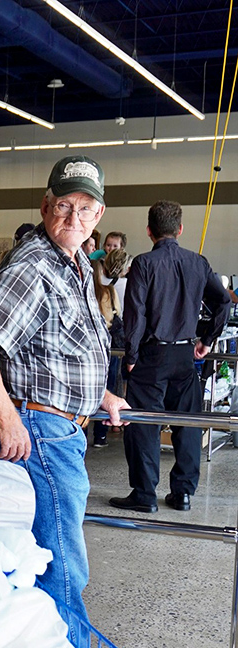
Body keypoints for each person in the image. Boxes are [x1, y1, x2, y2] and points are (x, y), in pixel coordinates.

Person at [0, 155, 129, 624]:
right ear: (45, 205)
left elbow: (57, 347)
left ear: (99, 214)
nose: (74, 218)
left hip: (61, 426)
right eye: (64, 206)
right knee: (63, 563)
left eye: (86, 208)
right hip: (42, 432)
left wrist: (101, 393)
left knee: (47, 555)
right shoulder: (34, 264)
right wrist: (8, 417)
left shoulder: (71, 262)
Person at [110, 200, 230, 514]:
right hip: (185, 355)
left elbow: (135, 314)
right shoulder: (198, 262)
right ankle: (183, 494)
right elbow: (223, 304)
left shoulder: (144, 264)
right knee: (187, 424)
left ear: (149, 231)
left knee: (143, 425)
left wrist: (131, 356)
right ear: (180, 229)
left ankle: (145, 494)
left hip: (152, 354)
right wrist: (206, 340)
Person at [91, 256, 123, 448]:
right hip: (108, 345)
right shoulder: (109, 291)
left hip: (87, 346)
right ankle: (101, 436)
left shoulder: (79, 290)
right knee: (108, 387)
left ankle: (81, 428)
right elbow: (116, 312)